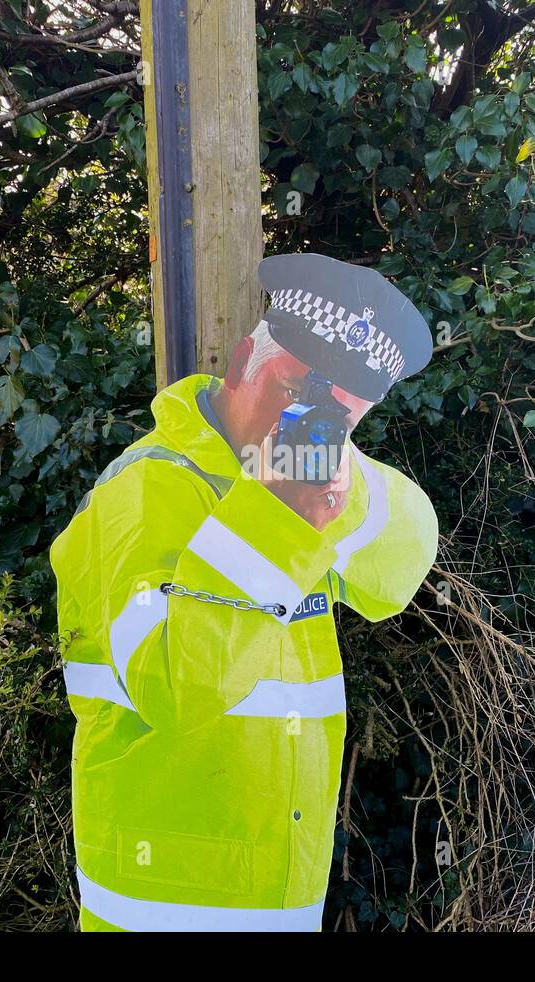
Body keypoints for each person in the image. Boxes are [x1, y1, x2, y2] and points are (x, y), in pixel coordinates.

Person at [49, 252, 438, 931]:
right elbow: (178, 688)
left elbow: (397, 577)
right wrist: (275, 517)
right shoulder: (142, 492)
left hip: (280, 900)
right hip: (160, 911)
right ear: (239, 364)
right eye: (294, 389)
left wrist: (337, 472)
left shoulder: (311, 478)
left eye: (337, 414)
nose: (301, 419)